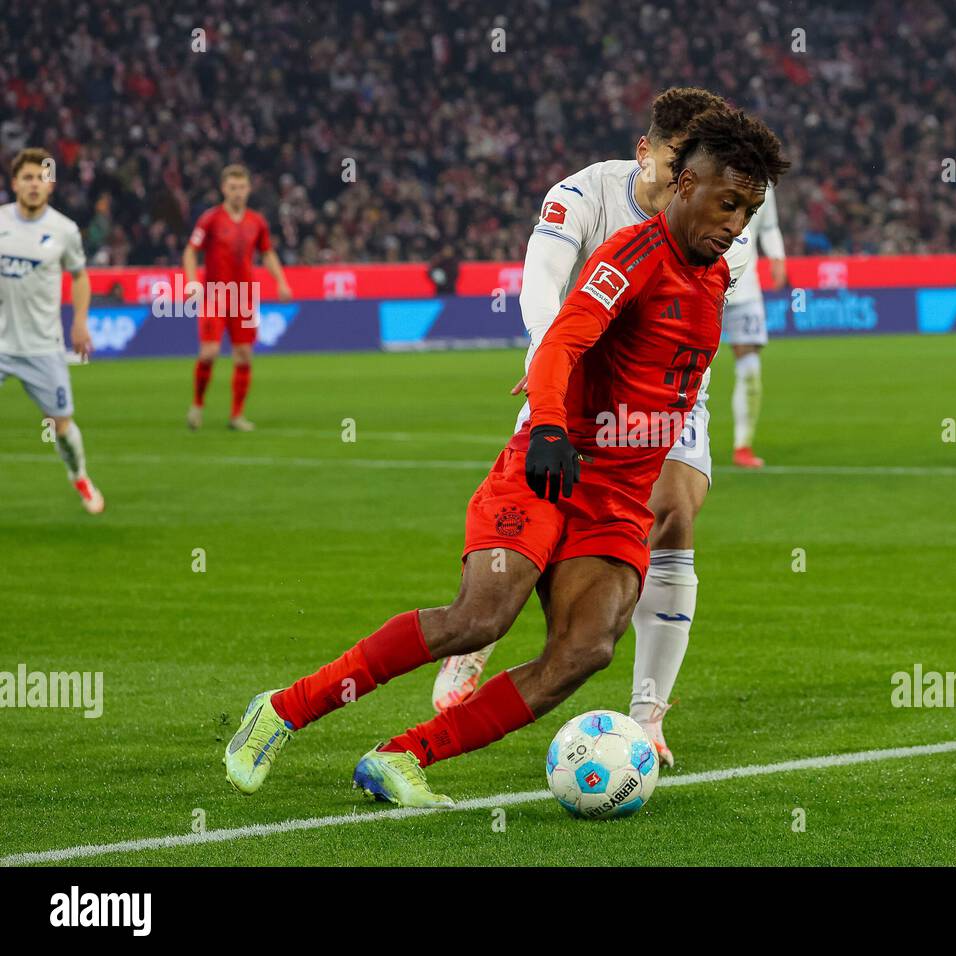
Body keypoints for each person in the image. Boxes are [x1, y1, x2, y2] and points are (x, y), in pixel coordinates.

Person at [224, 108, 789, 807]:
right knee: (479, 617)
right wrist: (550, 427)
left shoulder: (714, 275)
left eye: (750, 209)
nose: (737, 225)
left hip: (615, 498)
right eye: (728, 203)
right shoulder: (631, 258)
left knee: (585, 650)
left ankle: (403, 756)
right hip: (554, 466)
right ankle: (282, 710)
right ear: (685, 182)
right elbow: (560, 342)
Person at [431, 88, 755, 769]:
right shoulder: (581, 195)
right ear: (647, 154)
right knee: (541, 511)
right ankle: (481, 635)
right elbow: (541, 283)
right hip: (570, 372)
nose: (683, 186)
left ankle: (648, 713)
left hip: (663, 388)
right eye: (674, 169)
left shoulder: (721, 222)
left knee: (673, 513)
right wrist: (546, 359)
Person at [0, 147, 104, 513]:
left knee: (60, 425)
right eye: (26, 177)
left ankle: (79, 476)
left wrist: (79, 321)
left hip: (43, 347)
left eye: (40, 177)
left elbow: (79, 276)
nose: (33, 184)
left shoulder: (64, 230)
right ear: (14, 183)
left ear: (50, 185)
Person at [184, 164, 292, 431]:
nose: (237, 193)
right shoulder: (210, 219)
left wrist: (281, 282)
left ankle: (236, 415)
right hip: (215, 295)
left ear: (248, 189)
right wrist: (191, 282)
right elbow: (190, 251)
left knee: (244, 355)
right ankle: (197, 405)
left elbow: (267, 253)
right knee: (209, 352)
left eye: (242, 187)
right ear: (224, 189)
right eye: (232, 188)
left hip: (244, 297)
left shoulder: (257, 222)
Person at [724, 183, 785, 468]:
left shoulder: (764, 184)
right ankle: (672, 444)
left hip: (745, 286)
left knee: (750, 368)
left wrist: (777, 256)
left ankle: (743, 446)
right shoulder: (705, 169)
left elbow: (769, 225)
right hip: (698, 283)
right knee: (688, 370)